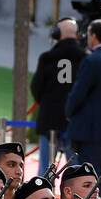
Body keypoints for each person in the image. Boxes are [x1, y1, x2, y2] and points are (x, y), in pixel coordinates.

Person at [65, 19, 101, 197]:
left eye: (89, 34)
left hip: (90, 126)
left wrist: (69, 111)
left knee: (89, 171)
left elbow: (79, 92)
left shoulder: (92, 61)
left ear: (94, 36)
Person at [30, 17, 84, 174]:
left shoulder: (47, 57)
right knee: (76, 169)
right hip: (74, 120)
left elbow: (36, 87)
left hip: (50, 119)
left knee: (45, 169)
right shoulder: (85, 58)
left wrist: (46, 103)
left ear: (57, 33)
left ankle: (41, 195)